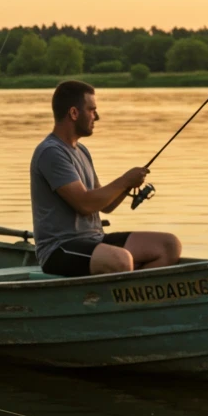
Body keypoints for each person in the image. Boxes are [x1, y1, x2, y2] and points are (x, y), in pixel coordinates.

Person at [30, 80, 181, 277]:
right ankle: (125, 300)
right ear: (74, 113)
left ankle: (135, 300)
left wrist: (128, 185)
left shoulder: (81, 150)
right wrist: (124, 181)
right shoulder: (51, 152)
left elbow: (104, 206)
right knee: (120, 259)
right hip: (59, 249)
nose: (97, 116)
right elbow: (85, 204)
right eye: (92, 110)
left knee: (168, 246)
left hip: (94, 240)